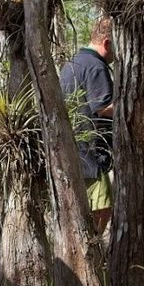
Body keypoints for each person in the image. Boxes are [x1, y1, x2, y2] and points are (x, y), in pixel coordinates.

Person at [59, 16, 116, 236]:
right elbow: (102, 107)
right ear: (107, 43)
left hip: (73, 150)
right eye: (115, 49)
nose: (115, 56)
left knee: (85, 207)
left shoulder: (73, 63)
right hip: (90, 153)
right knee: (102, 208)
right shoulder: (95, 66)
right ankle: (92, 253)